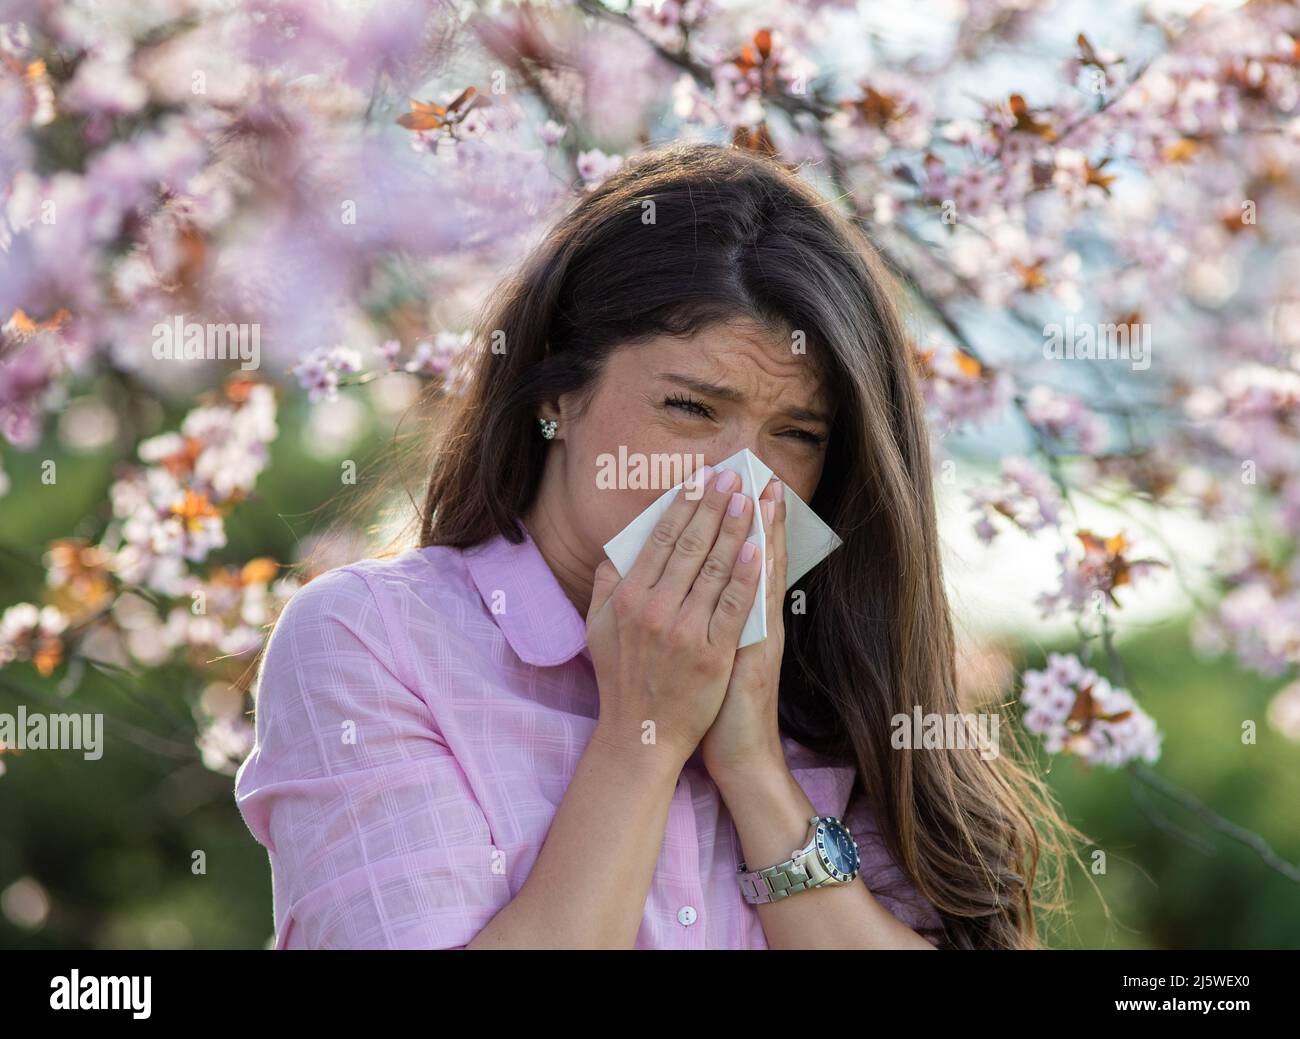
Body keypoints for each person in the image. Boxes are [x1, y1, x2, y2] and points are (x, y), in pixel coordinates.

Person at [234, 141, 1066, 949]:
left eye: (796, 433)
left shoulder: (836, 680)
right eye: (692, 409)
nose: (738, 475)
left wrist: (754, 771)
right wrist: (646, 731)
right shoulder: (372, 640)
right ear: (559, 388)